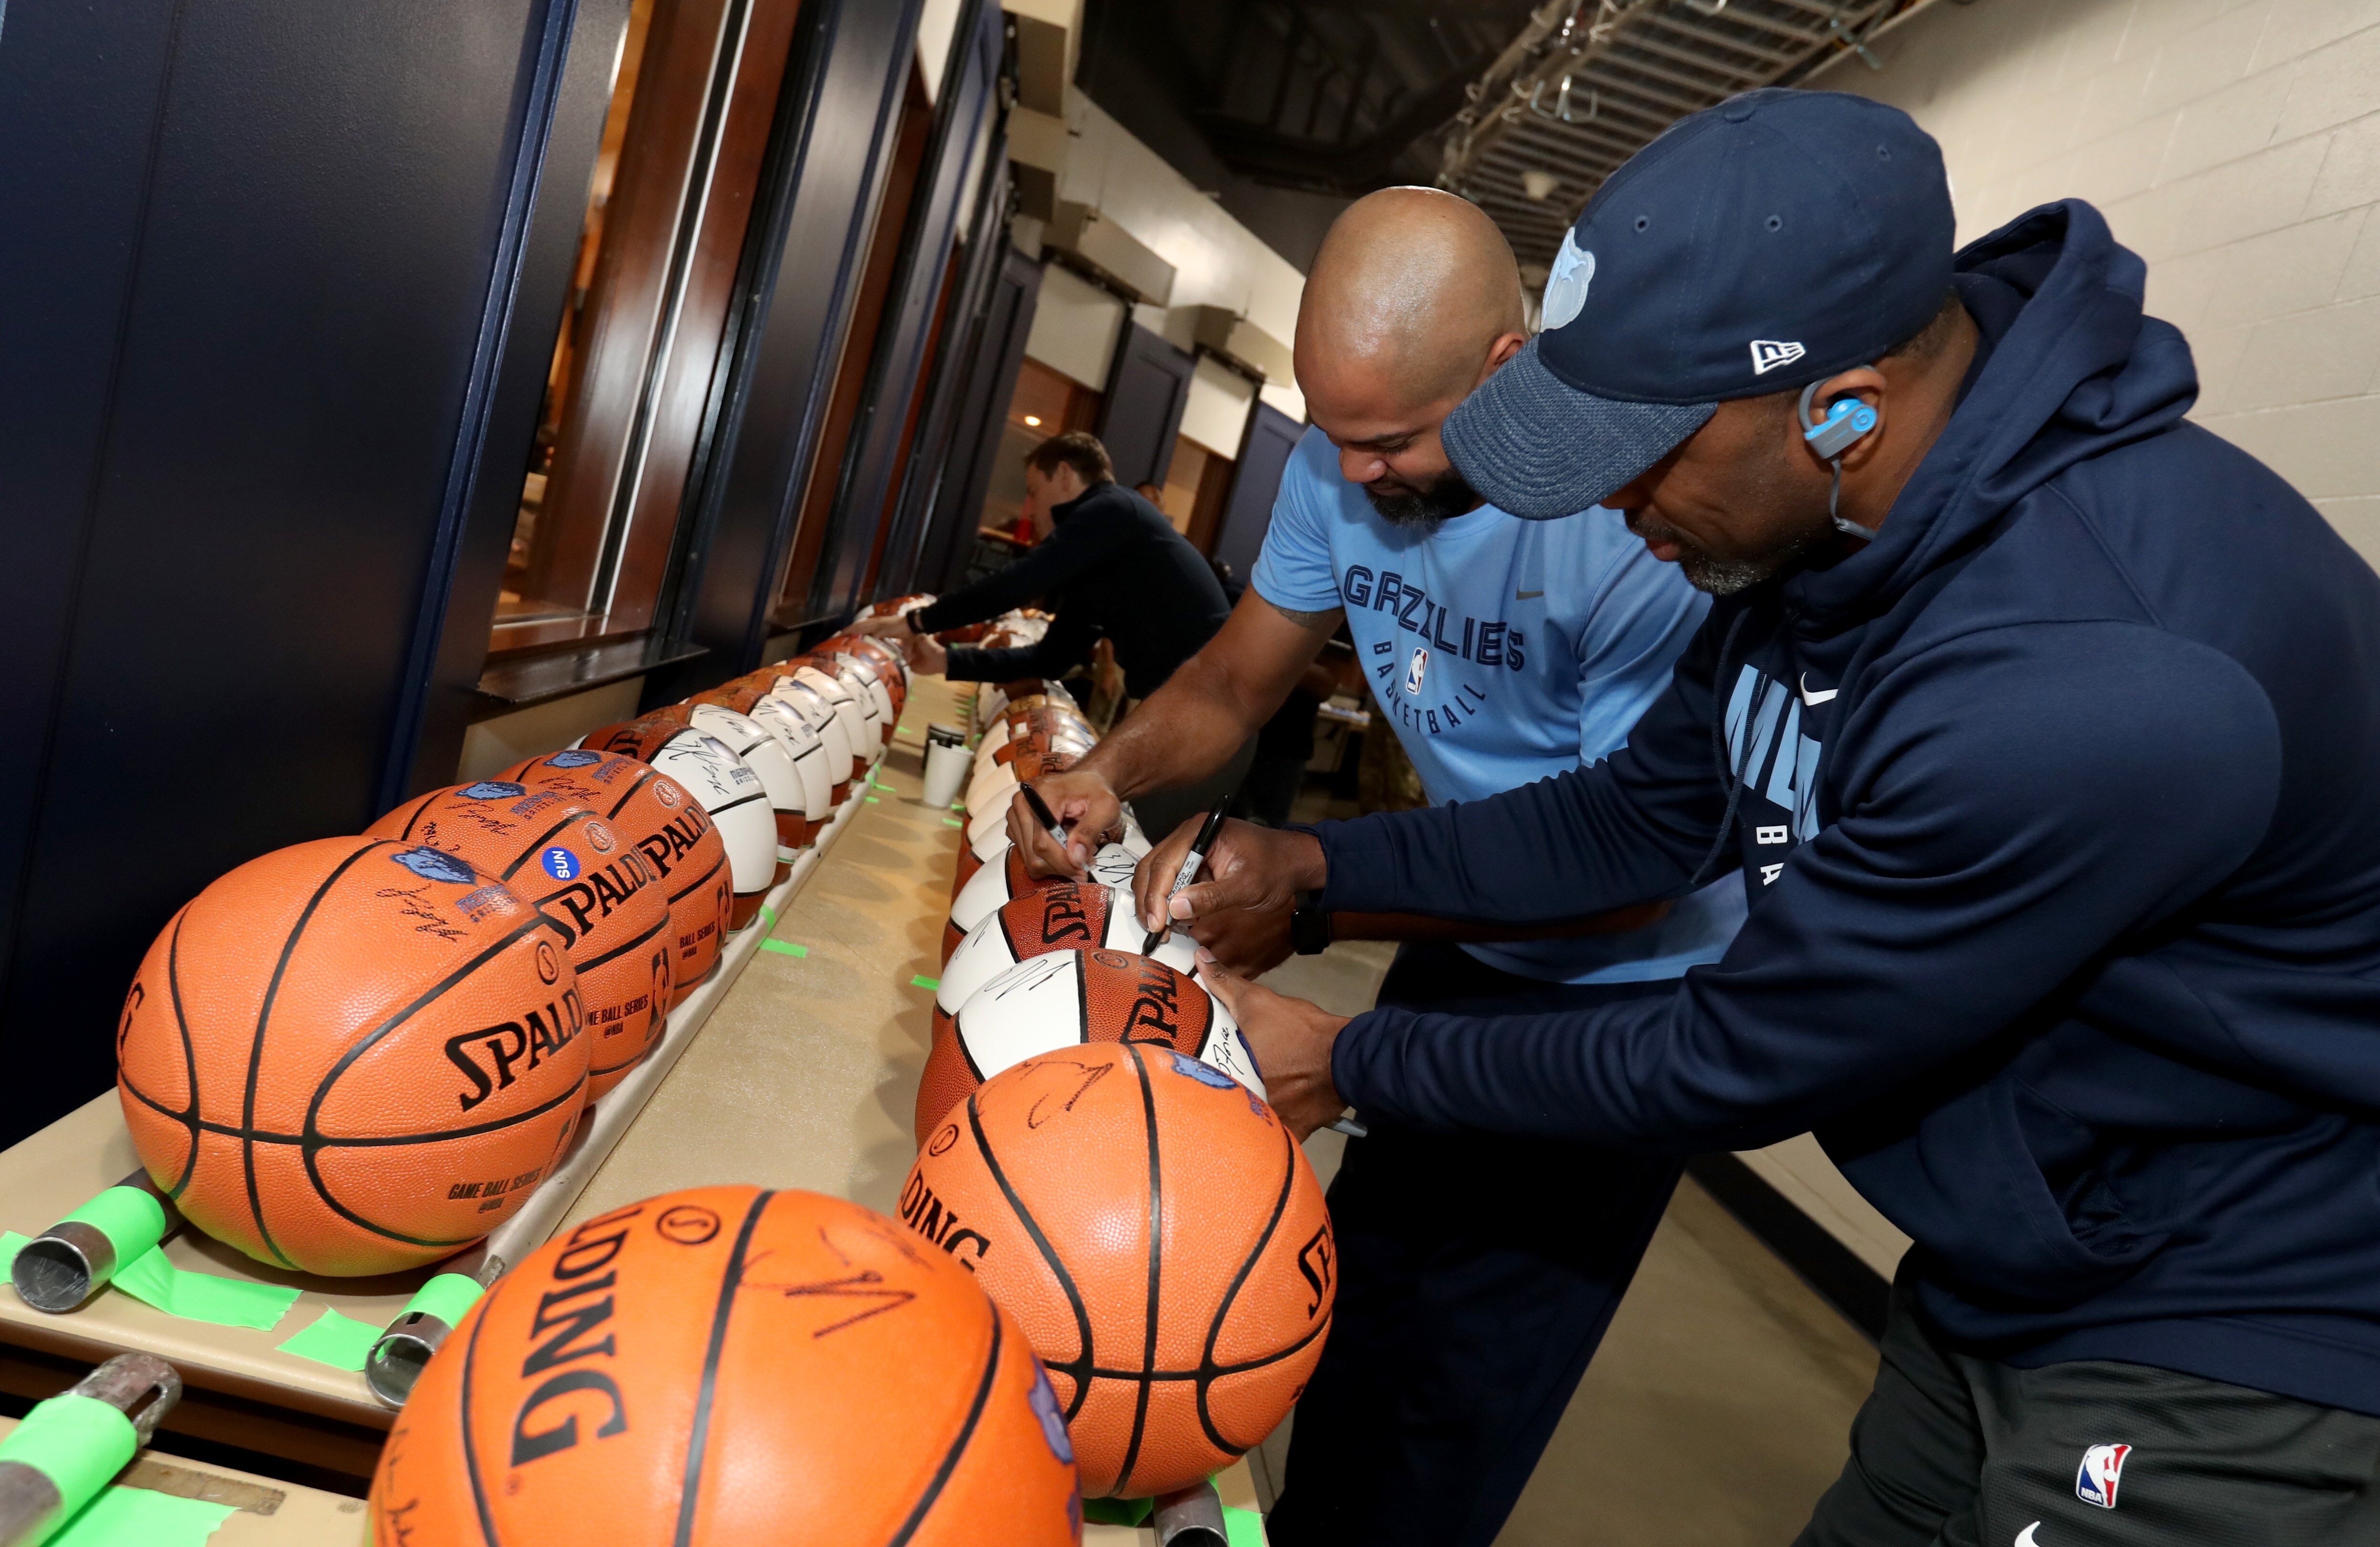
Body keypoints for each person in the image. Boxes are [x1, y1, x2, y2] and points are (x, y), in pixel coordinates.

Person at [1151, 88, 2380, 1545]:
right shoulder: (1824, 544)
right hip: (2019, 1261)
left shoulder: (2082, 678)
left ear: (1841, 410)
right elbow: (1634, 820)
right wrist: (1312, 869)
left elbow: (1736, 1054)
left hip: (2248, 1314)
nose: (1612, 504)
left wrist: (1347, 1058)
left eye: (1641, 453)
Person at [1011, 187, 1745, 1547]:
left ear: (1507, 370)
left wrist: (1311, 886)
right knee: (1349, 1322)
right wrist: (1104, 773)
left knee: (1449, 1407)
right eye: (1331, 433)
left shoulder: (1631, 523)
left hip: (1625, 995)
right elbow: (1235, 680)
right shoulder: (1339, 465)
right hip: (1464, 934)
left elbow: (1628, 857)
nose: (1354, 476)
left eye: (1393, 440)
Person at [858, 431, 1236, 836]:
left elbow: (1016, 582)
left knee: (1144, 842)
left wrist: (918, 621)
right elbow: (1049, 659)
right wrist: (945, 660)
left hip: (1209, 711)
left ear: (1065, 475)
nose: (1031, 508)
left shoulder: (1111, 509)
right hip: (1185, 705)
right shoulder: (1100, 554)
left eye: (1034, 492)